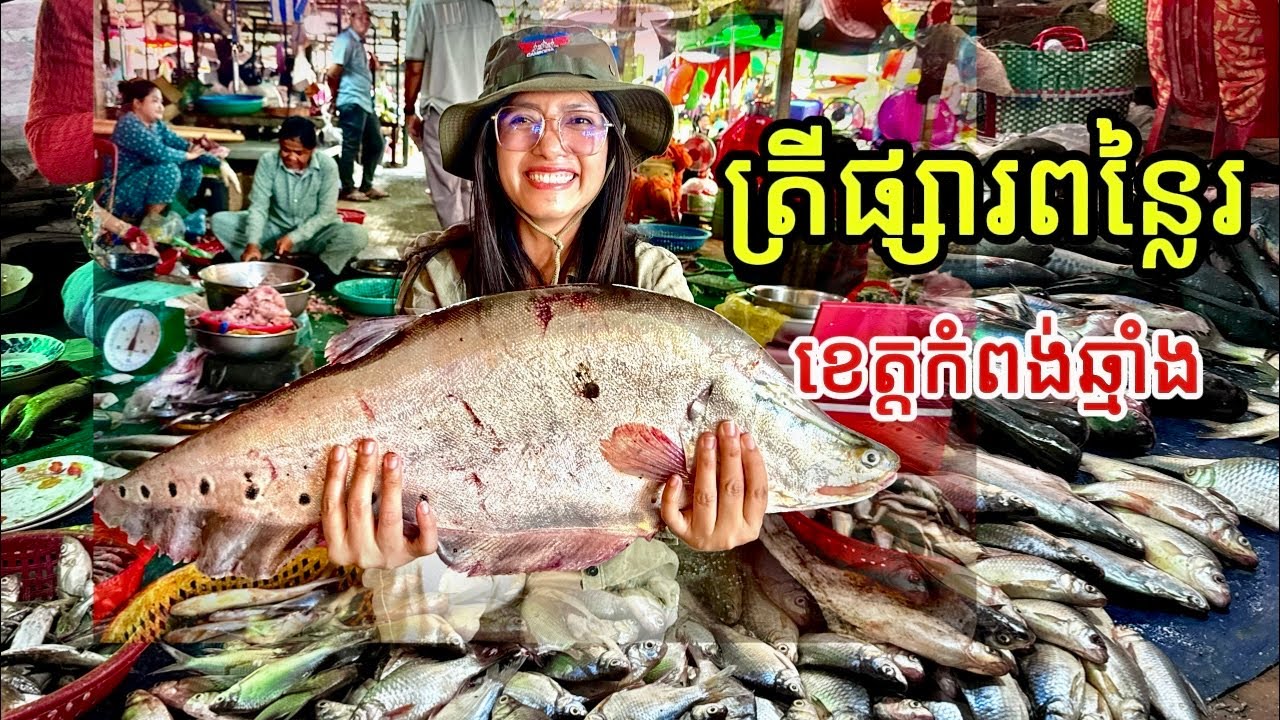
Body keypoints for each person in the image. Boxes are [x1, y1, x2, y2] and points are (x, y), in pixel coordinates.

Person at [320, 29, 768, 629]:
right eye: (521, 121)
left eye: (581, 121)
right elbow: (392, 447)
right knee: (417, 623)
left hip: (602, 565)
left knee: (594, 659)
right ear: (489, 145)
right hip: (458, 550)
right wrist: (386, 527)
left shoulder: (652, 276)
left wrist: (710, 514)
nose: (551, 146)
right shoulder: (441, 278)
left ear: (612, 146)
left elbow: (675, 467)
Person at [209, 117, 369, 275]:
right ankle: (264, 259)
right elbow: (259, 207)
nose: (291, 157)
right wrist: (252, 243)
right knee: (220, 221)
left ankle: (322, 270)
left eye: (299, 153)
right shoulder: (268, 161)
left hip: (316, 233)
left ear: (312, 150)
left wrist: (293, 237)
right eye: (286, 150)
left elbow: (325, 214)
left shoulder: (327, 166)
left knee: (357, 235)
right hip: (275, 230)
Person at [403, 0, 503, 229]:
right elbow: (498, 64)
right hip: (481, 113)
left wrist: (409, 111)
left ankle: (458, 254)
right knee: (474, 187)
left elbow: (414, 66)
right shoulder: (486, 7)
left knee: (446, 192)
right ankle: (476, 252)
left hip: (442, 112)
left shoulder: (424, 5)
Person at [107, 79, 223, 225]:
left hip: (143, 185)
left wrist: (218, 163)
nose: (161, 107)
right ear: (138, 103)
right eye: (155, 101)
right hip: (120, 191)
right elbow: (160, 153)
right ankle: (150, 224)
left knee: (192, 166)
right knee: (168, 169)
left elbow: (181, 144)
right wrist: (189, 155)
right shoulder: (129, 124)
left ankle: (175, 213)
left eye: (161, 102)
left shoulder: (155, 125)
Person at [326, 2, 388, 202]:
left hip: (363, 101)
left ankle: (366, 185)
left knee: (376, 143)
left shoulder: (359, 43)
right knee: (350, 146)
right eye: (359, 16)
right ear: (349, 18)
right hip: (351, 100)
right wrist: (335, 98)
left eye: (367, 17)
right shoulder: (345, 40)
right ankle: (348, 188)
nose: (364, 20)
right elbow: (333, 72)